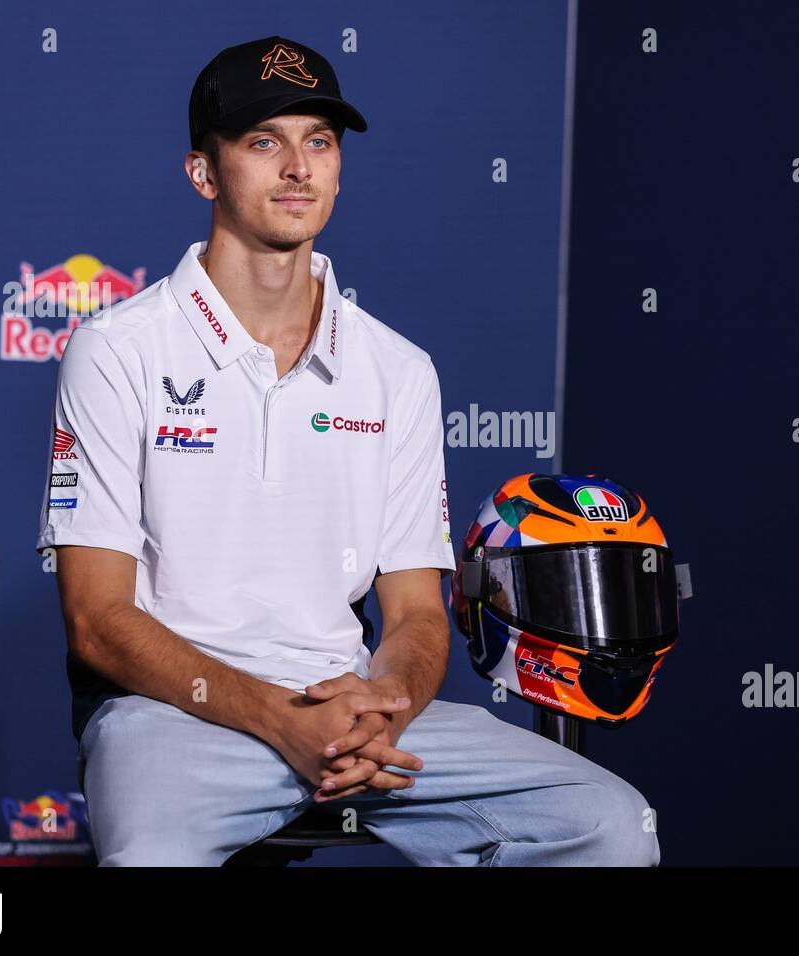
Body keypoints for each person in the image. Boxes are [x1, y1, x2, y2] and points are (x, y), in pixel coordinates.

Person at [36, 35, 659, 866]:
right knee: (152, 853)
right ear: (203, 173)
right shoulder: (118, 348)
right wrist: (274, 718)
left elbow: (410, 615)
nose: (298, 167)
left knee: (611, 824)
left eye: (318, 142)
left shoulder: (396, 369)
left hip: (355, 708)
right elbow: (97, 620)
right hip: (177, 717)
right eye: (264, 141)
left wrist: (386, 707)